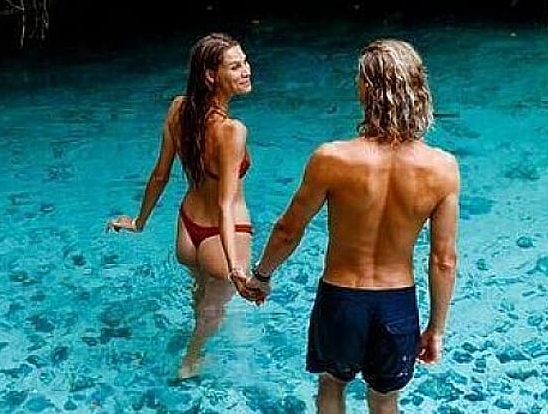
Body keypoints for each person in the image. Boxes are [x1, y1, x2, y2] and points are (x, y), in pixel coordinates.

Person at [242, 39, 460, 414]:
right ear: (418, 89)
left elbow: (288, 230)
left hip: (341, 300)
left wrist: (261, 276)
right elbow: (443, 260)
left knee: (331, 385)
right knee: (385, 399)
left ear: (365, 90)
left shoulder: (332, 158)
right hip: (396, 304)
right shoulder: (442, 168)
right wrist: (436, 329)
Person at [107, 32, 255, 378]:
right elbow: (225, 205)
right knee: (214, 309)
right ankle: (191, 360)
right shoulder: (233, 131)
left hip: (188, 232)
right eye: (235, 66)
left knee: (202, 293)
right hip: (222, 238)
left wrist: (138, 222)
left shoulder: (178, 108)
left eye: (245, 61)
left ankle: (196, 341)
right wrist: (236, 268)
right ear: (210, 75)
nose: (247, 70)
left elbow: (160, 175)